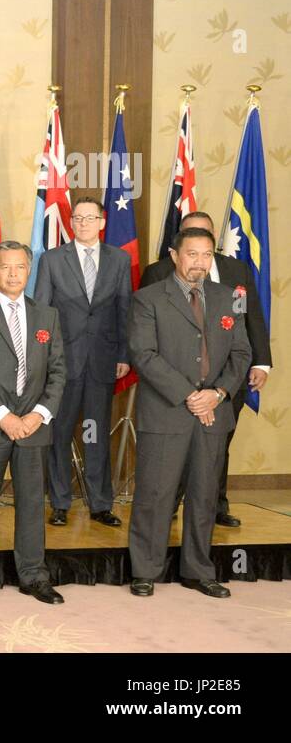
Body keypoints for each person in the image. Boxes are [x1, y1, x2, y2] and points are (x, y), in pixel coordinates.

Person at [128, 227, 251, 599]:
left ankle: (198, 570)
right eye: (192, 254)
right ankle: (145, 571)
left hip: (214, 413)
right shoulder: (148, 299)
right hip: (167, 412)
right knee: (155, 494)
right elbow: (144, 355)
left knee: (204, 494)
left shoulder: (230, 298)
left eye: (207, 255)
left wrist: (217, 393)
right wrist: (190, 396)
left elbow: (242, 354)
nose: (200, 262)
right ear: (174, 255)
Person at [140, 211, 272, 528]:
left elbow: (250, 316)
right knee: (174, 453)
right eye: (192, 240)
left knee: (217, 447)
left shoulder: (236, 270)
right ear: (177, 246)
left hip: (226, 380)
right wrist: (190, 393)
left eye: (206, 241)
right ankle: (170, 504)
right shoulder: (157, 274)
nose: (199, 256)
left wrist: (261, 361)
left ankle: (216, 505)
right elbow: (147, 340)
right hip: (174, 388)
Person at [0, 241, 66, 605]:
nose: (14, 273)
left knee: (33, 504)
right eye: (7, 267)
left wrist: (38, 415)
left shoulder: (46, 315)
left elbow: (58, 371)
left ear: (29, 270)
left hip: (34, 427)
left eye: (21, 266)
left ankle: (34, 576)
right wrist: (4, 416)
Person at [33, 197, 132, 527]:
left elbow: (124, 310)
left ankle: (100, 503)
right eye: (78, 218)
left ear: (102, 222)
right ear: (71, 222)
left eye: (90, 218)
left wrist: (123, 355)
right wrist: (44, 359)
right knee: (59, 433)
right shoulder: (51, 259)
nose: (84, 223)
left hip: (102, 362)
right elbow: (42, 313)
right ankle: (59, 502)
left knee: (95, 434)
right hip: (63, 363)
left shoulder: (119, 260)